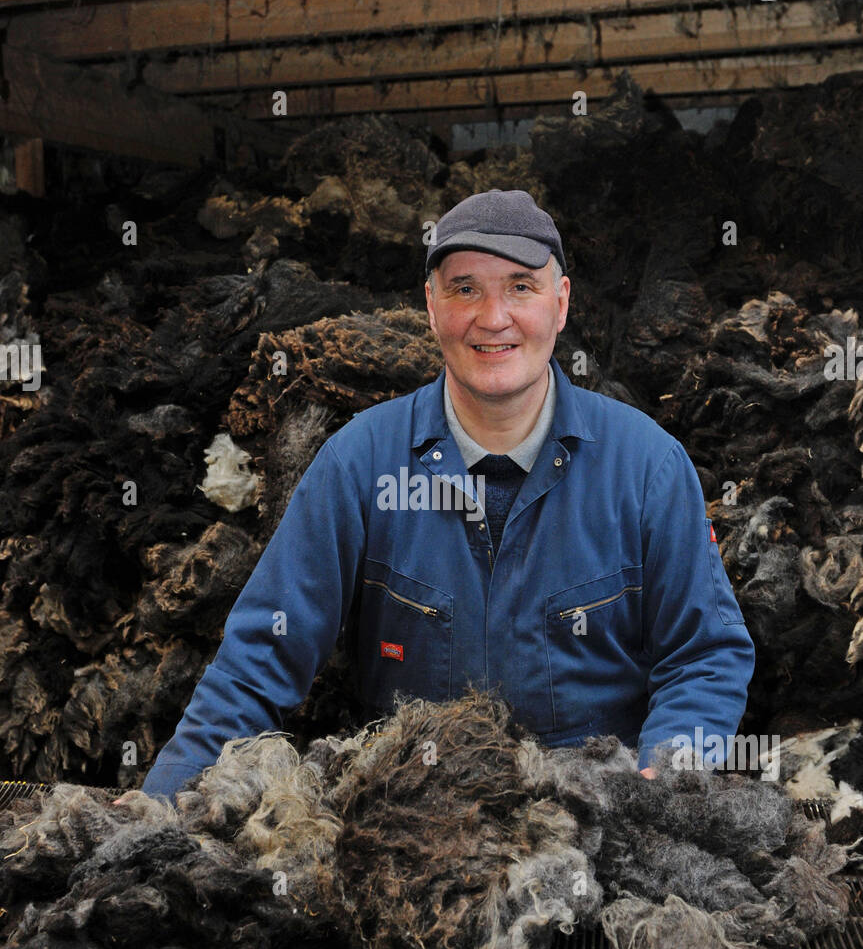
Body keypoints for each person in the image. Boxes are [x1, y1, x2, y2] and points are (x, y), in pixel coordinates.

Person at [141, 188, 755, 801]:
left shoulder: (647, 467)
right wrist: (161, 804)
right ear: (431, 307)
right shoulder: (359, 466)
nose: (493, 318)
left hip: (597, 829)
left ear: (561, 304)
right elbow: (261, 655)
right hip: (413, 837)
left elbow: (704, 654)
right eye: (466, 289)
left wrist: (664, 792)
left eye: (521, 286)